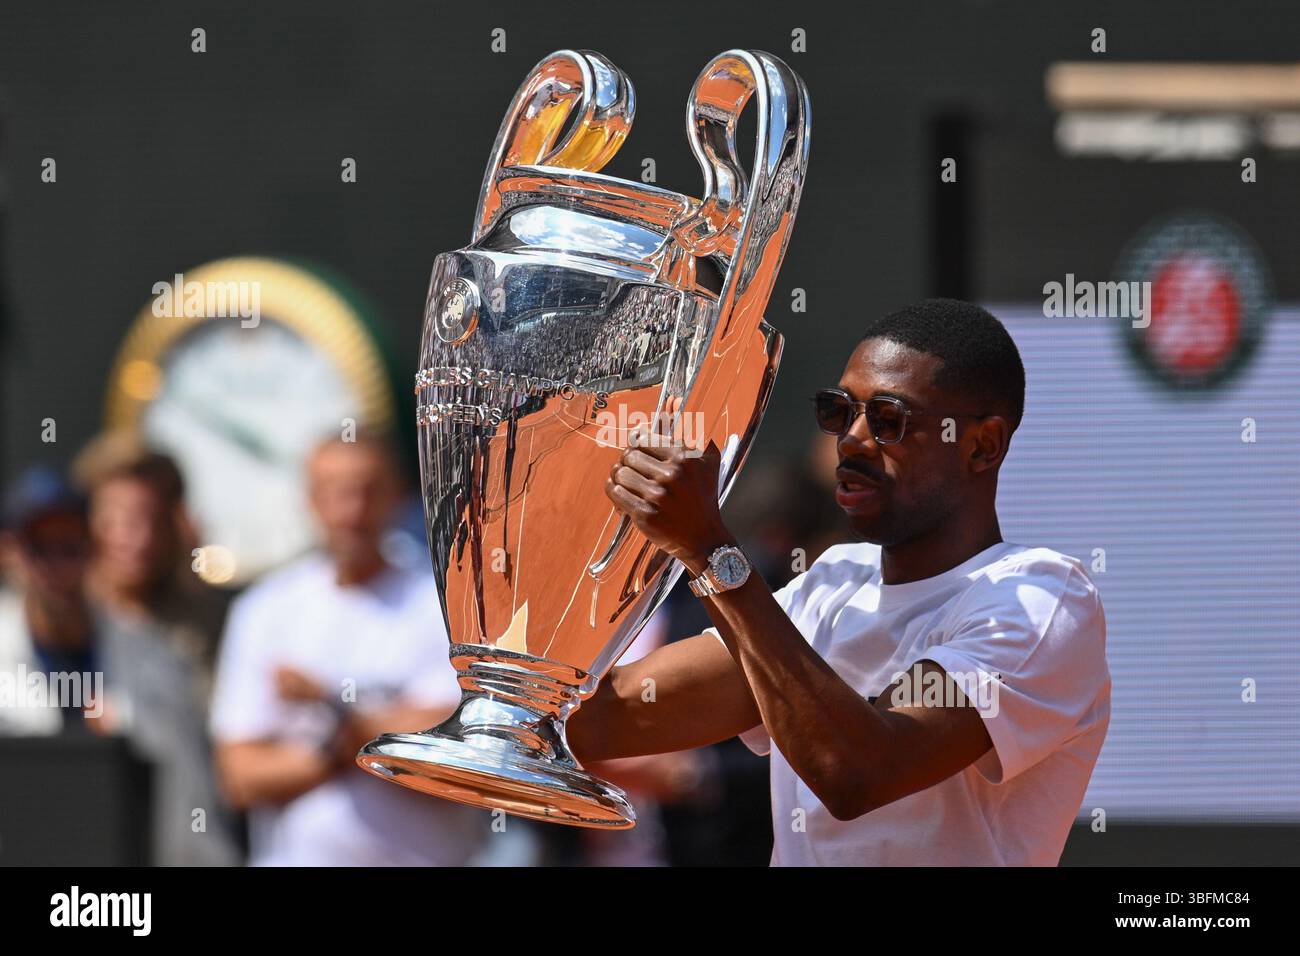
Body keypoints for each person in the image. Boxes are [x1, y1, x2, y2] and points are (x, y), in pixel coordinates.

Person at [570, 298, 1111, 866]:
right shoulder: (829, 583)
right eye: (839, 412)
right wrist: (498, 701)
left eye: (889, 420)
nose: (851, 441)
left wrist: (710, 551)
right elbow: (611, 716)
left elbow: (857, 773)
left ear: (982, 445)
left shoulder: (1039, 598)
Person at [209, 432, 486, 866]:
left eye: (367, 491)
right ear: (311, 500)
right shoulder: (265, 609)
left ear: (395, 496)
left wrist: (331, 712)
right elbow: (240, 776)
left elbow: (457, 748)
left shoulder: (447, 604)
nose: (351, 511)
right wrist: (364, 739)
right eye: (335, 493)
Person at [0, 466, 237, 866]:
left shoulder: (156, 657)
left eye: (70, 546)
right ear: (10, 552)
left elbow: (191, 804)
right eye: (40, 548)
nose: (56, 565)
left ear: (93, 547)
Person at [75, 432, 228, 702]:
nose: (141, 539)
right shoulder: (62, 618)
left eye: (155, 519)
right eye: (124, 521)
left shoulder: (206, 623)